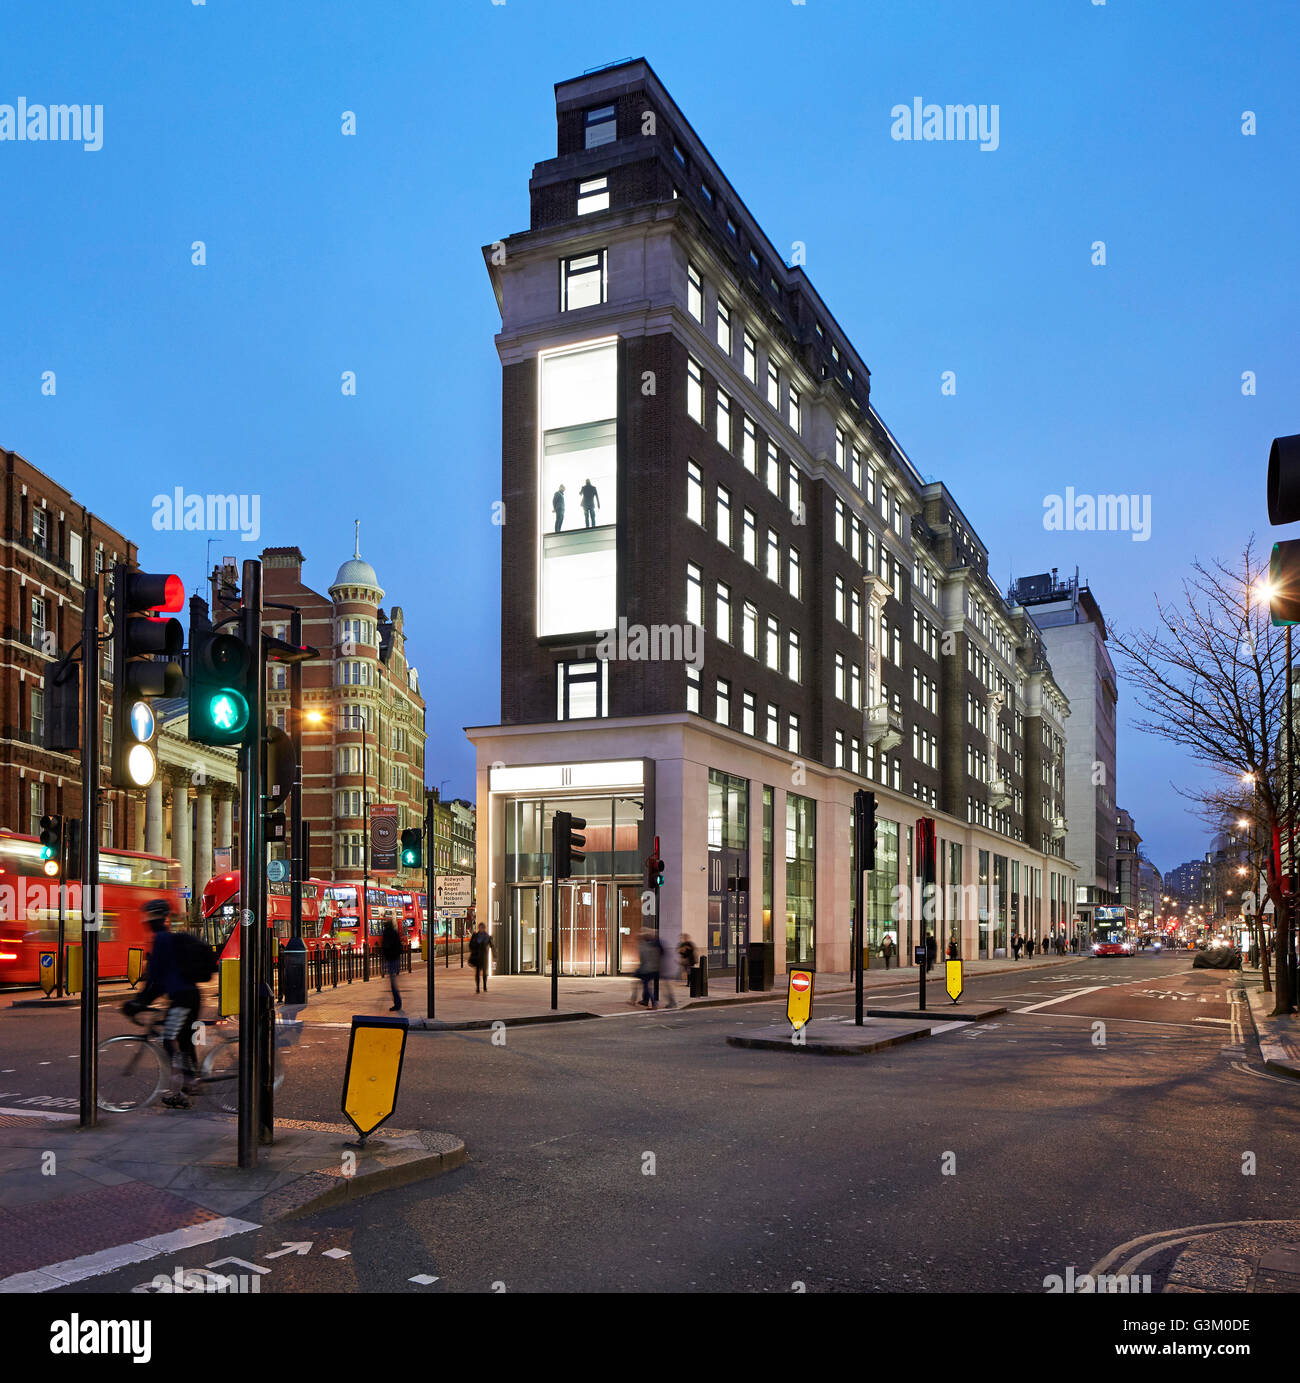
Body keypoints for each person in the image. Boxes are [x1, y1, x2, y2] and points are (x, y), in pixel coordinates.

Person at [123, 900, 202, 1109]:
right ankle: (185, 1092)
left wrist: (139, 1002)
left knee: (170, 1039)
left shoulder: (162, 940)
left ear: (156, 917)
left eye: (148, 917)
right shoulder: (164, 938)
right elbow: (157, 980)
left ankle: (190, 1080)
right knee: (183, 1042)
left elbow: (155, 980)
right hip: (184, 996)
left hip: (184, 998)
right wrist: (142, 1000)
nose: (146, 921)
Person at [635, 928, 670, 1009]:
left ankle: (654, 1003)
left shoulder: (646, 945)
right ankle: (646, 1001)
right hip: (652, 968)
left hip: (649, 969)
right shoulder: (650, 944)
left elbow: (645, 958)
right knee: (645, 985)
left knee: (647, 986)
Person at [381, 918, 403, 1012]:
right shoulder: (394, 932)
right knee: (393, 983)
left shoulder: (387, 933)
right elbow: (399, 946)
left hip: (390, 960)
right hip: (395, 959)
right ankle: (397, 1003)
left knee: (393, 984)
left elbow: (385, 947)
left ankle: (397, 1003)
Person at [468, 922, 493, 993]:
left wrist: (494, 956)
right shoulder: (475, 935)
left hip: (484, 957)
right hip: (477, 957)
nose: (481, 929)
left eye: (482, 927)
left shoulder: (487, 936)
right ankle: (478, 987)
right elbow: (470, 945)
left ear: (484, 928)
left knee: (485, 973)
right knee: (477, 973)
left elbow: (492, 945)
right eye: (480, 927)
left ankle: (485, 986)